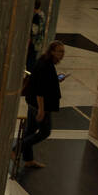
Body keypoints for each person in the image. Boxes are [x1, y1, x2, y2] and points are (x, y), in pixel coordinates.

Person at [20, 40, 65, 170]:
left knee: (30, 130)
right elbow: (40, 90)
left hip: (32, 101)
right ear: (52, 51)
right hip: (39, 104)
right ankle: (17, 148)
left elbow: (43, 82)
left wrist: (56, 80)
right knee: (45, 131)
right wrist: (41, 109)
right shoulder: (46, 66)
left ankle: (28, 160)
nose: (62, 54)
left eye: (63, 52)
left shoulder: (45, 62)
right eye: (60, 51)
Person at [27, 0, 46, 71]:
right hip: (39, 43)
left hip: (33, 44)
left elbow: (34, 31)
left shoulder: (36, 17)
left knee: (30, 62)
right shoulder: (42, 14)